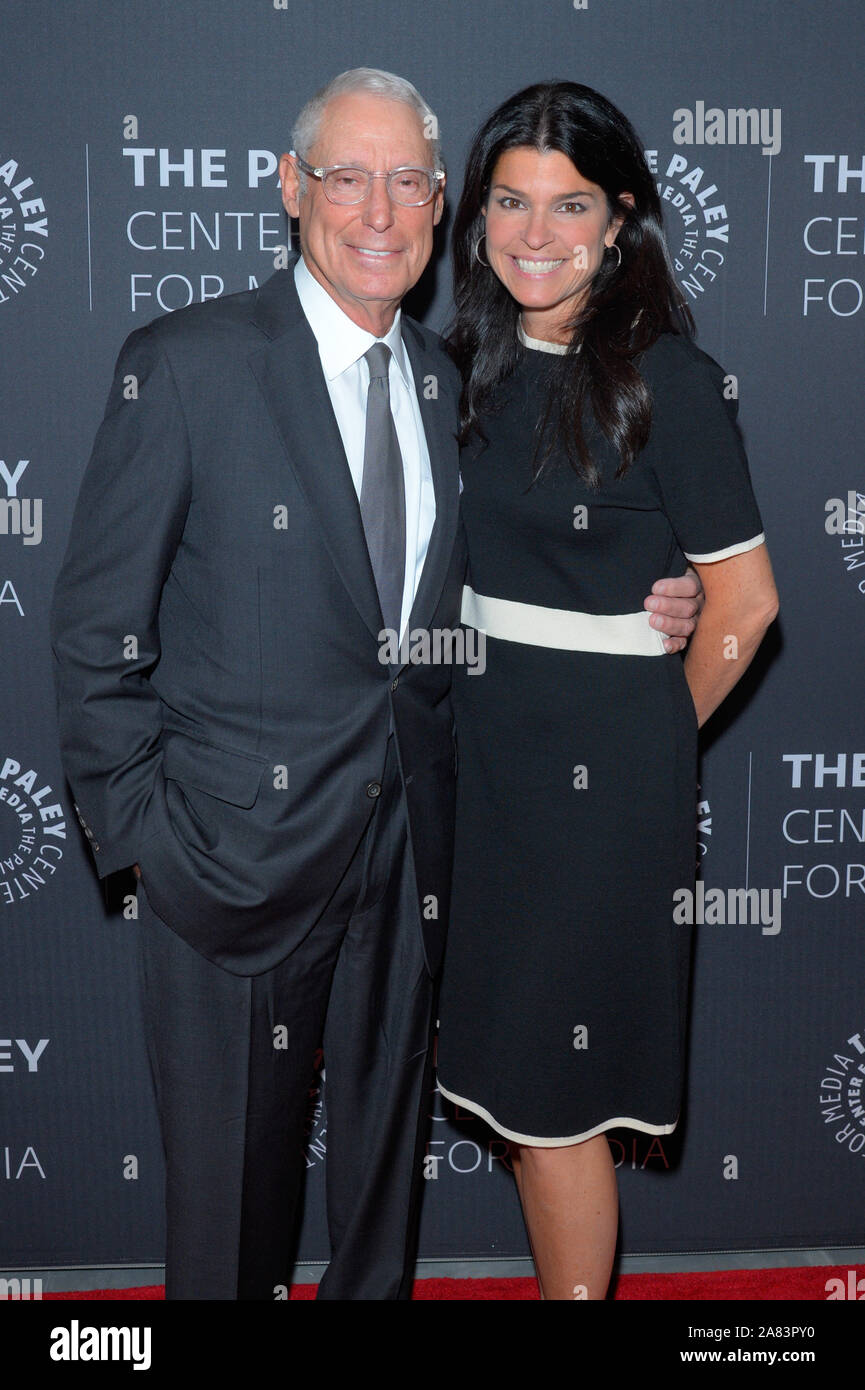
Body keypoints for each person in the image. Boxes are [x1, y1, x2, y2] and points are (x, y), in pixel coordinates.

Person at [49, 68, 702, 1301]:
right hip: (227, 864)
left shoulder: (453, 382)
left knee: (380, 1213)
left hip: (408, 865)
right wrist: (149, 844)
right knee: (229, 1228)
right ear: (291, 189)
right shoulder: (187, 364)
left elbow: (521, 567)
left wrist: (655, 593)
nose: (379, 210)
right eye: (345, 175)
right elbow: (92, 633)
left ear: (441, 197)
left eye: (408, 179)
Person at [435, 81, 779, 1301]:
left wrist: (642, 751)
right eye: (511, 202)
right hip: (474, 785)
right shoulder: (456, 369)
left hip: (597, 807)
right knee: (519, 1097)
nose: (536, 234)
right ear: (475, 216)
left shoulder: (665, 378)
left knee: (552, 1105)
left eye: (570, 204)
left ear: (621, 216)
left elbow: (743, 606)